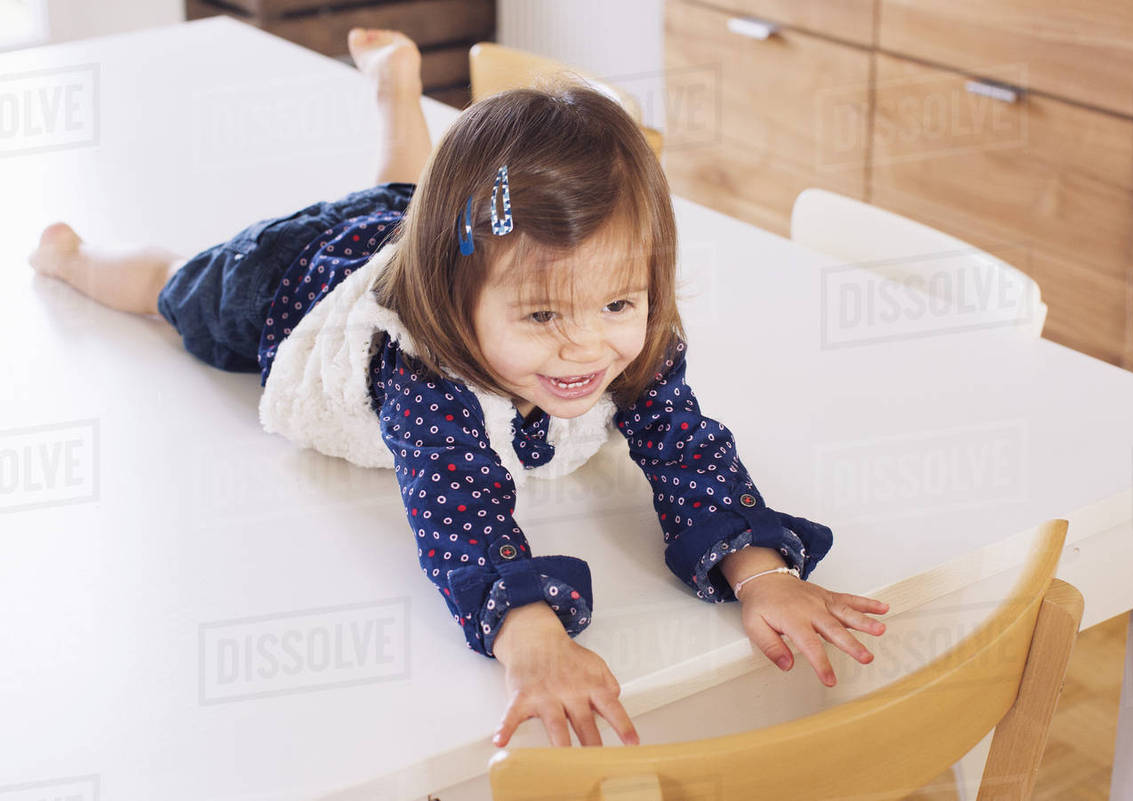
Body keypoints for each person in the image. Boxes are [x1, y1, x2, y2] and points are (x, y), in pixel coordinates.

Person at [28, 28, 889, 750]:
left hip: (424, 230)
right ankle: (74, 257)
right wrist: (532, 637)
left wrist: (761, 573)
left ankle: (394, 92)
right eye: (543, 314)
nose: (587, 344)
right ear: (453, 302)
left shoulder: (621, 328)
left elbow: (687, 446)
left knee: (406, 196)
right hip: (296, 278)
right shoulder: (424, 371)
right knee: (172, 291)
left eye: (620, 301)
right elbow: (458, 512)